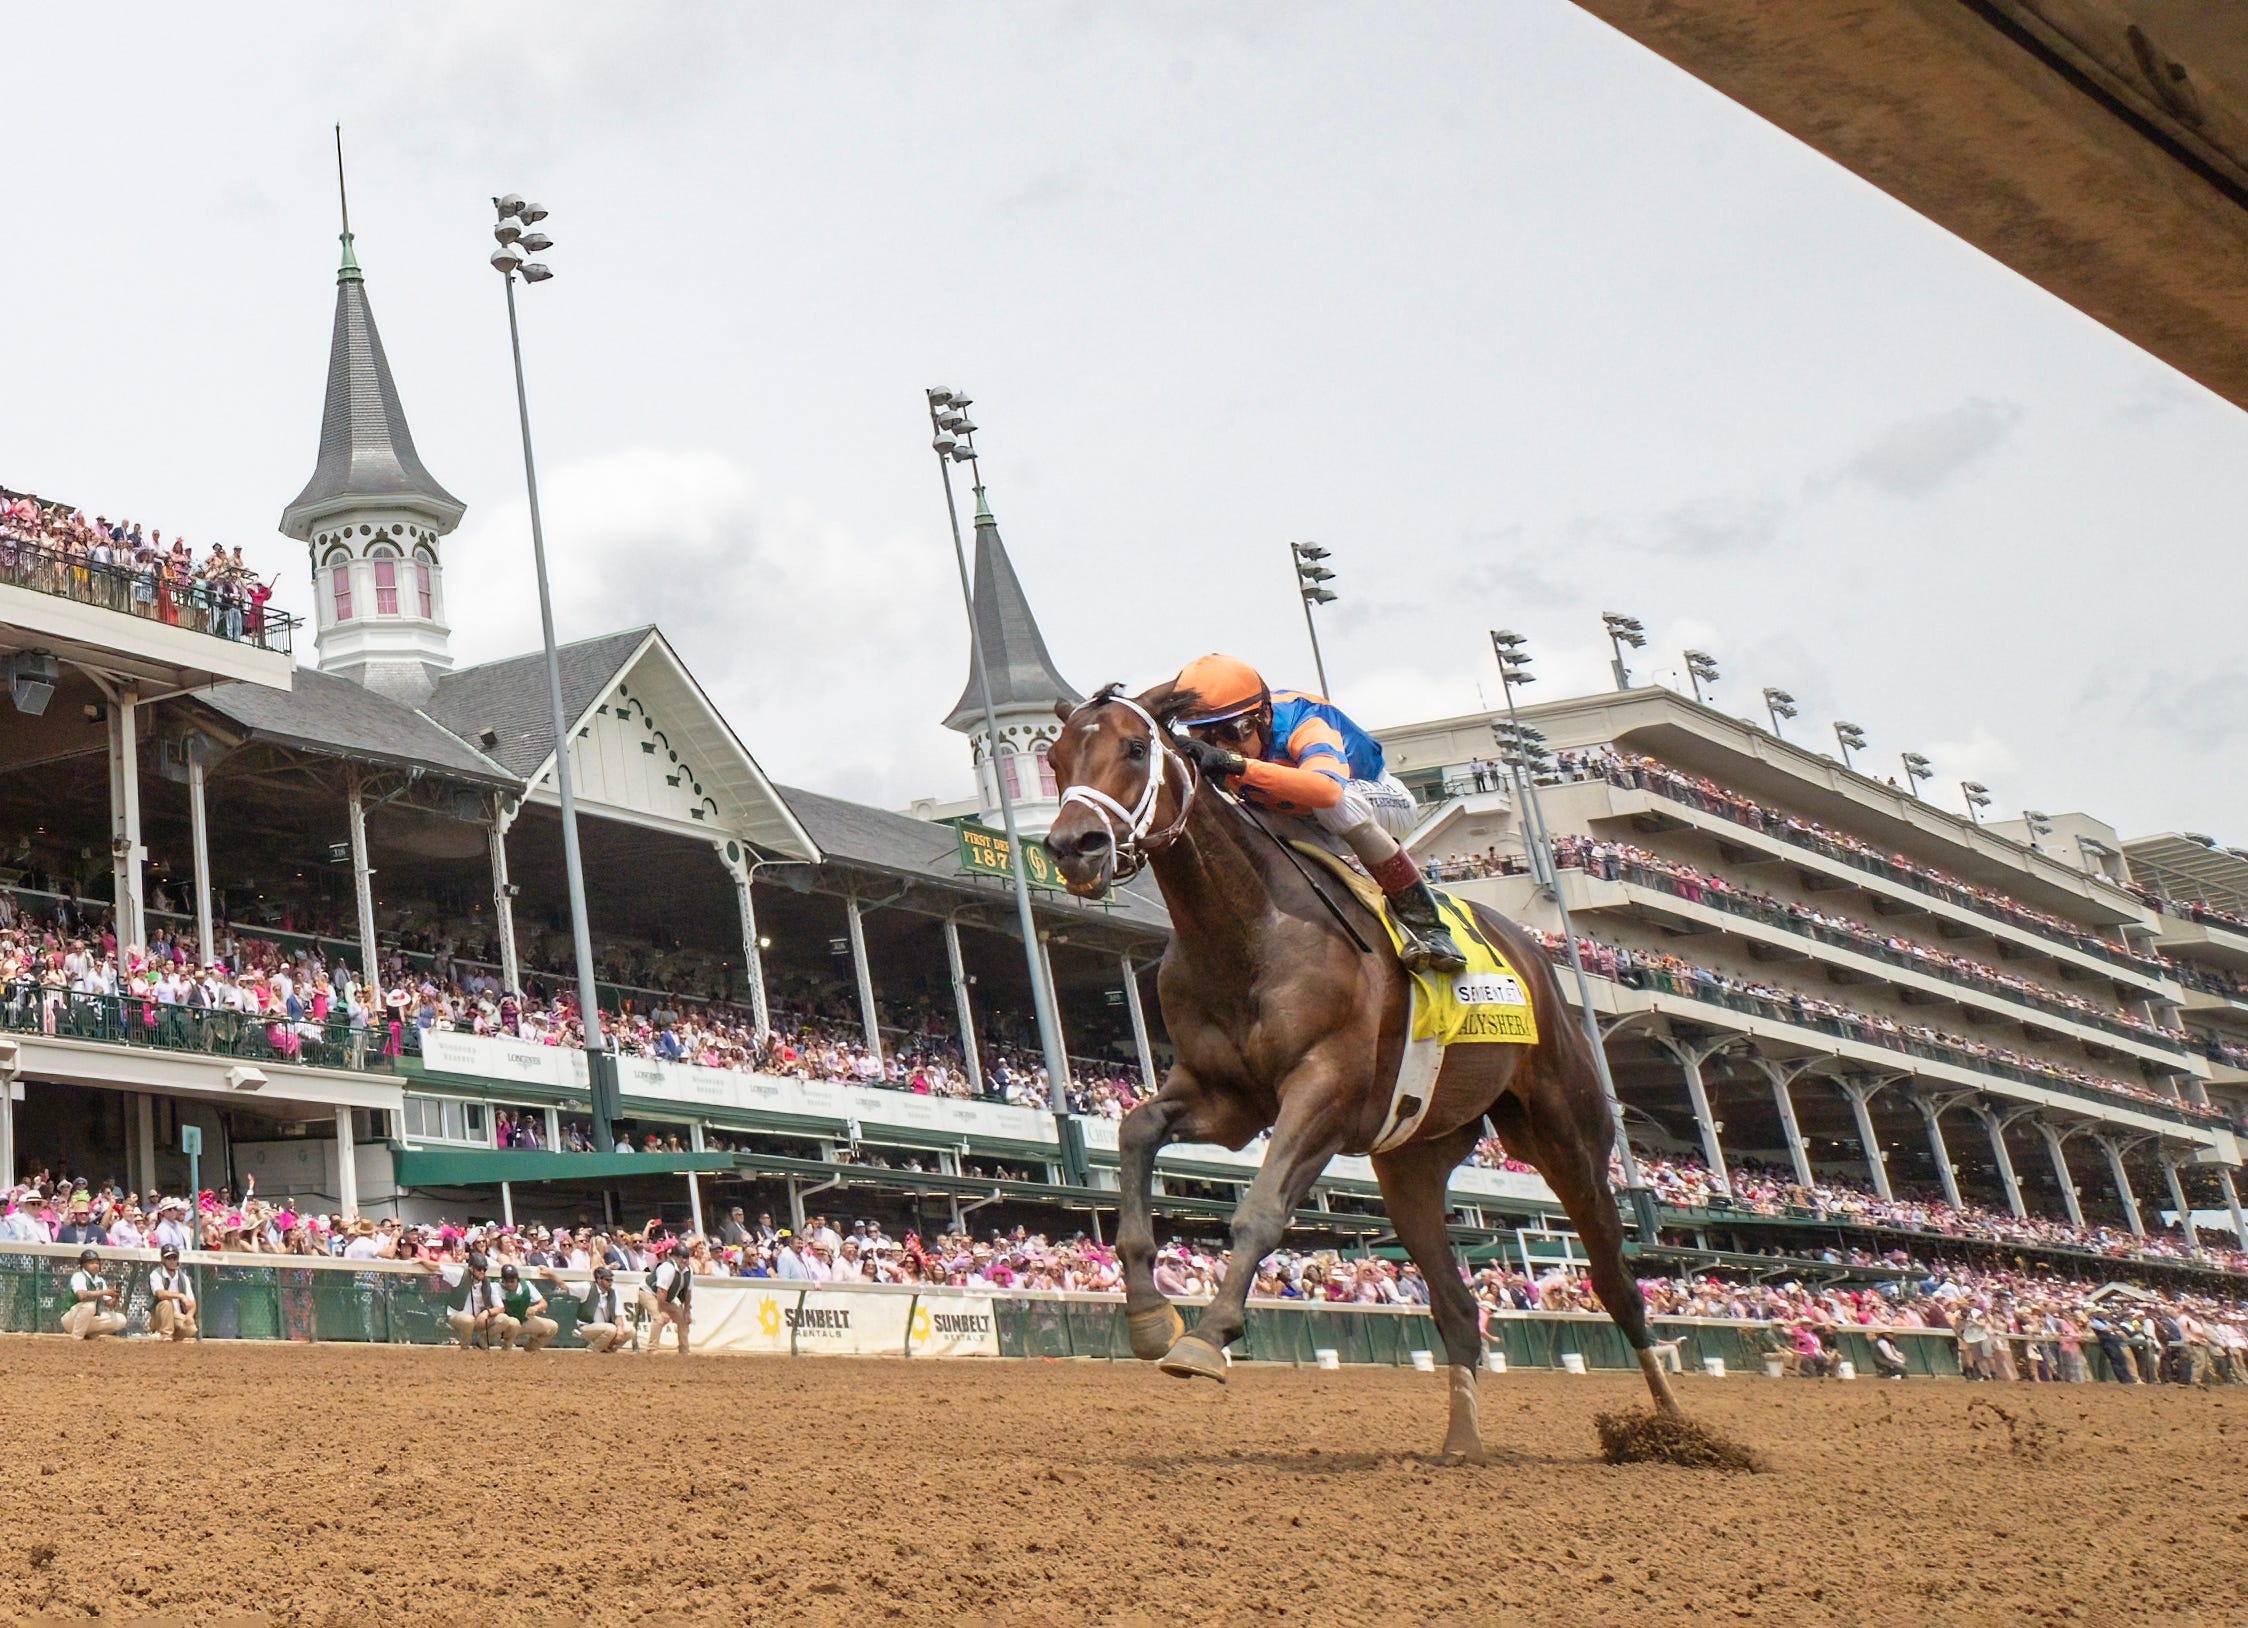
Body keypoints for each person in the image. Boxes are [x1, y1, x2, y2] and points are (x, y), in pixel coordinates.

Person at [1165, 653, 1464, 972]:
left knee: (1337, 805)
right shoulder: (1239, 737)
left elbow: (1326, 790)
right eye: (1203, 735)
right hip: (1294, 818)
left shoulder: (1305, 718)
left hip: (1379, 801)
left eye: (1236, 729)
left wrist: (1234, 765)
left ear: (1265, 716)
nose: (1221, 744)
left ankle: (1429, 927)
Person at [445, 1254, 510, 1351]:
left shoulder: (488, 1285)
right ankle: (464, 1348)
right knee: (468, 1320)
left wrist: (486, 1312)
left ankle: (482, 1341)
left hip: (478, 1320)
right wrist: (421, 1261)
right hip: (457, 1317)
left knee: (504, 1319)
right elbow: (437, 1267)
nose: (482, 1272)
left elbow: (500, 1308)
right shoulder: (460, 1275)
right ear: (471, 1268)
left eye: (484, 1269)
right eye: (479, 1269)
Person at [570, 1265, 636, 1353]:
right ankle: (592, 1350)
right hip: (587, 1327)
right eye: (607, 1280)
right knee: (611, 1329)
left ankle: (608, 1349)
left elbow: (618, 1315)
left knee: (630, 1330)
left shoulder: (613, 1293)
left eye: (611, 1280)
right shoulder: (589, 1288)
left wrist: (620, 1330)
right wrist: (552, 1276)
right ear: (599, 1280)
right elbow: (565, 1286)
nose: (610, 1283)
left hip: (606, 1328)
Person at [63, 1248, 127, 1340]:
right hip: (70, 1319)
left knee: (121, 1319)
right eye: (91, 1263)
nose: (95, 1266)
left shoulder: (100, 1280)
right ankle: (76, 1338)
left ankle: (91, 1335)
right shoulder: (79, 1276)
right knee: (89, 1306)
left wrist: (115, 1296)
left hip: (89, 1319)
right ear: (83, 1265)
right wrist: (105, 1292)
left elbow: (110, 1305)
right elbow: (82, 1296)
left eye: (97, 1263)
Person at [647, 1240, 694, 1355]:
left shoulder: (689, 1270)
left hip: (666, 1298)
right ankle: (652, 1349)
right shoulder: (668, 1268)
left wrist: (686, 1310)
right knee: (659, 1318)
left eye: (686, 1257)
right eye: (681, 1257)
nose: (684, 1260)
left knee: (683, 1319)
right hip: (648, 1293)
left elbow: (687, 1292)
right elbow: (661, 1292)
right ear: (673, 1257)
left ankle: (684, 1350)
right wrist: (662, 1310)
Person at [496, 1263, 556, 1351]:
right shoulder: (497, 1287)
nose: (509, 1284)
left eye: (512, 1281)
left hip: (524, 1320)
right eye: (506, 1281)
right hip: (507, 1326)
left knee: (552, 1326)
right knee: (514, 1323)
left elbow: (543, 1303)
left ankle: (531, 1349)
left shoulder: (526, 1285)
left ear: (517, 1280)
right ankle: (506, 1350)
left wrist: (535, 1308)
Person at [148, 1245, 198, 1341]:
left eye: (174, 1258)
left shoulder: (183, 1278)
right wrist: (180, 1296)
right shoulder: (156, 1274)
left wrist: (190, 1315)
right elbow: (160, 1294)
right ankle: (165, 1335)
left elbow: (192, 1303)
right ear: (162, 1259)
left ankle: (169, 1337)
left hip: (176, 1316)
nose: (172, 1261)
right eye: (168, 1258)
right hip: (159, 1316)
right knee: (166, 1303)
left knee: (192, 1329)